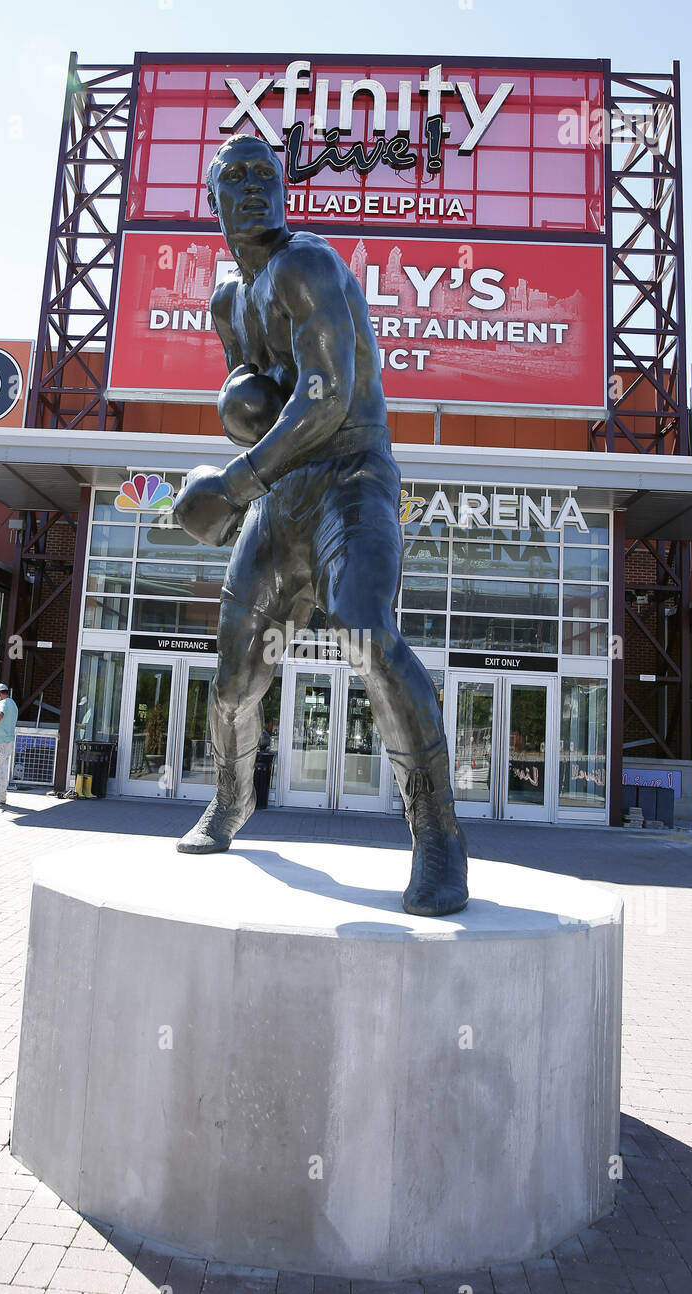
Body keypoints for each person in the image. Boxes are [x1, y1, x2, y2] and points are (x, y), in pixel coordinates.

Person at [173, 133, 468, 916]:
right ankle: (232, 797)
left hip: (352, 476)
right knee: (235, 675)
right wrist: (242, 429)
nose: (253, 187)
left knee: (366, 632)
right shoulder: (227, 302)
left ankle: (437, 831)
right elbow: (262, 401)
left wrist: (231, 485)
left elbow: (326, 395)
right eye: (233, 178)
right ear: (213, 203)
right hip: (284, 495)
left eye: (265, 174)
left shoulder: (307, 264)